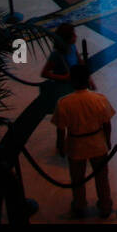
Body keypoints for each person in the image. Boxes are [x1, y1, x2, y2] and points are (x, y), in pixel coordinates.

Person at [51, 64, 116, 219]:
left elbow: (61, 128)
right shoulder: (99, 99)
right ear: (87, 79)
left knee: (77, 178)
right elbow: (107, 123)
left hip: (76, 145)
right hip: (97, 142)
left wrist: (61, 145)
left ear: (72, 81)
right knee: (102, 177)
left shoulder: (64, 102)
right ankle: (105, 205)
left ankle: (79, 205)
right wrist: (107, 141)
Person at [39, 23, 81, 153]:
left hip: (72, 87)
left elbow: (79, 61)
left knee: (72, 117)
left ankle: (68, 142)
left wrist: (87, 77)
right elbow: (44, 73)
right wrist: (64, 77)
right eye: (73, 35)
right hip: (62, 90)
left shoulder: (72, 47)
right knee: (62, 121)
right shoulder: (56, 55)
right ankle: (61, 144)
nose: (76, 36)